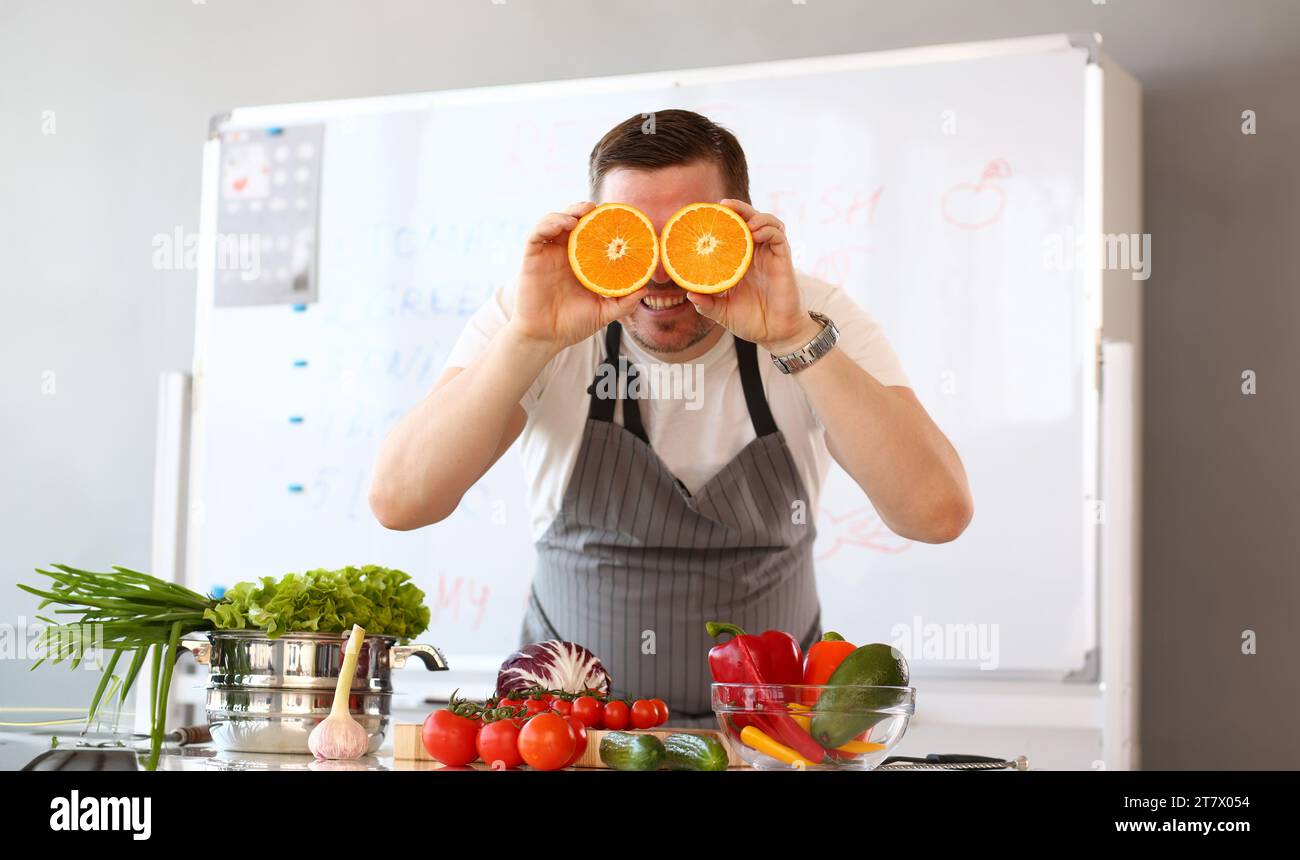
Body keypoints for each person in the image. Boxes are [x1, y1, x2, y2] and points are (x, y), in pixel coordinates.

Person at [370, 110, 972, 724]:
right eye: (631, 235)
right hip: (567, 740)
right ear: (594, 231)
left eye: (688, 234)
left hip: (773, 743)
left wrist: (793, 337)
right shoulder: (536, 309)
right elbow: (401, 501)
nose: (659, 269)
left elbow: (937, 513)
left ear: (738, 225)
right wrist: (528, 338)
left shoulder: (809, 312)